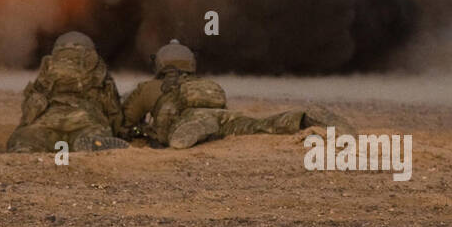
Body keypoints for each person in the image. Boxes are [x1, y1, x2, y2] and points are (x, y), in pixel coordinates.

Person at [123, 40, 351, 149]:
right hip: (220, 116)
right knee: (260, 124)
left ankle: (195, 132)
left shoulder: (149, 88)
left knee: (178, 132)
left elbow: (126, 119)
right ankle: (302, 117)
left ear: (160, 63)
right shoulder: (200, 83)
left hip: (189, 119)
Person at [7, 31, 127, 152]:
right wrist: (117, 130)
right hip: (86, 119)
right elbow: (112, 108)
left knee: (27, 137)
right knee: (92, 134)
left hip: (49, 119)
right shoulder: (98, 68)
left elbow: (32, 104)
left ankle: (26, 146)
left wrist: (24, 125)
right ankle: (92, 142)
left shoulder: (48, 68)